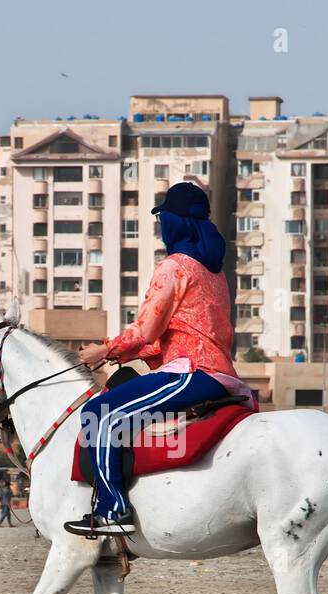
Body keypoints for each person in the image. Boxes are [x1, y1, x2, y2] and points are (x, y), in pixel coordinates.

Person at [67, 181, 253, 536]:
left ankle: (113, 511)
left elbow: (146, 330)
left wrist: (103, 350)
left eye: (163, 218)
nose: (161, 225)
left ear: (176, 222)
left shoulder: (173, 267)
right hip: (222, 373)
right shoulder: (214, 273)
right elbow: (177, 334)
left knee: (97, 414)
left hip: (190, 372)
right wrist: (127, 355)